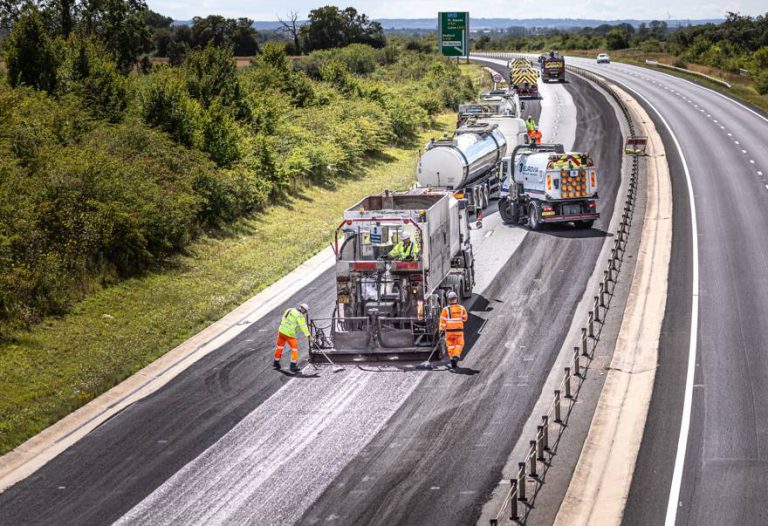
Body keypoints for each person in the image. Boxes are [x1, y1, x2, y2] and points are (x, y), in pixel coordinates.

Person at [274, 303, 311, 372]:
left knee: (279, 347)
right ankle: (293, 366)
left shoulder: (289, 310)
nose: (305, 313)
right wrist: (309, 336)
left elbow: (283, 318)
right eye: (305, 311)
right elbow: (304, 327)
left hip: (281, 331)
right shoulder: (299, 316)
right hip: (289, 334)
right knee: (295, 349)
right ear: (303, 309)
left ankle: (276, 363)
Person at [439, 291, 468, 369]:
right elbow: (465, 318)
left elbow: (442, 321)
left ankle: (452, 360)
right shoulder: (462, 308)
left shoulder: (445, 310)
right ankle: (455, 357)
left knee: (450, 346)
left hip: (449, 332)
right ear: (456, 299)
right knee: (459, 345)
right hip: (458, 331)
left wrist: (441, 330)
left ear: (449, 300)